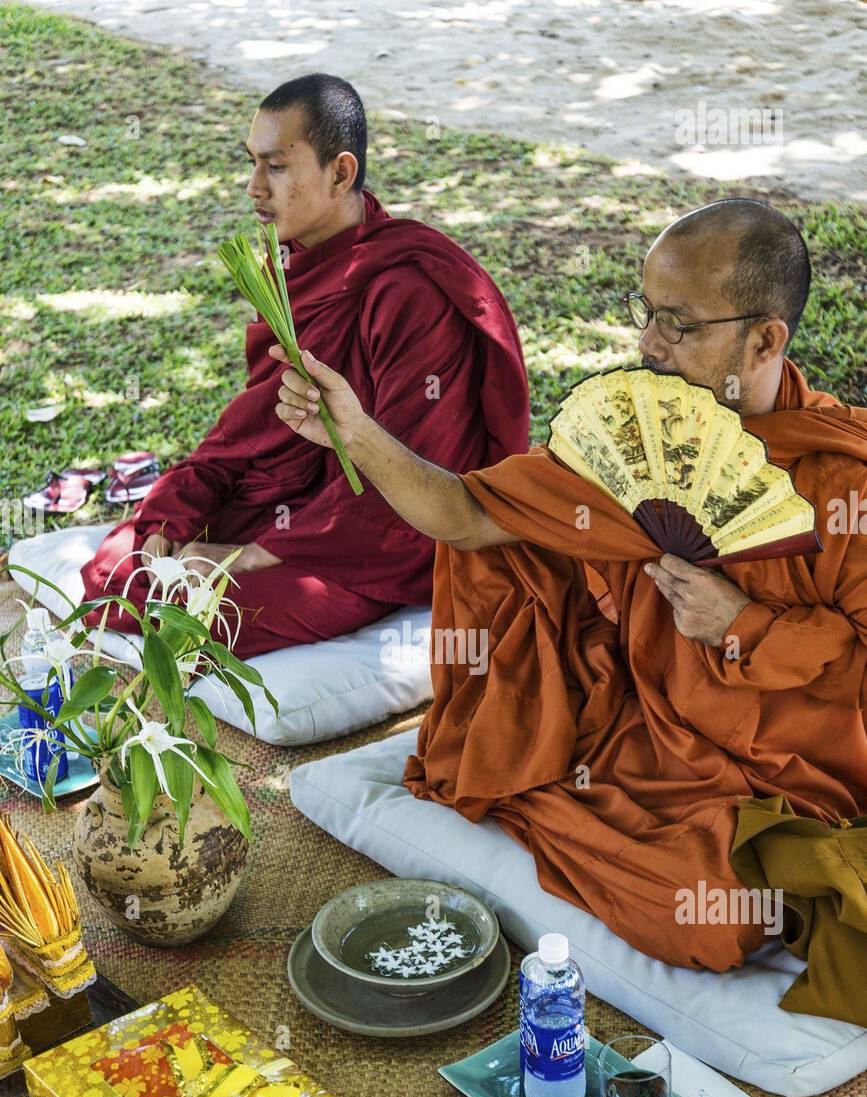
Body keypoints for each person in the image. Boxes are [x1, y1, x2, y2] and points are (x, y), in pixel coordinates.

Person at [272, 198, 867, 988]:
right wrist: (354, 431)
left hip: (789, 774)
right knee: (510, 581)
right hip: (637, 728)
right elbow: (465, 514)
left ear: (764, 338)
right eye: (645, 313)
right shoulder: (636, 435)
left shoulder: (841, 482)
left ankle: (542, 794)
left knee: (717, 919)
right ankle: (532, 777)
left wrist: (745, 623)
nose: (648, 345)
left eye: (679, 325)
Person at [80, 73, 529, 659]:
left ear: (341, 172)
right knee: (122, 571)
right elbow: (248, 439)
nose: (253, 187)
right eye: (252, 163)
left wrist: (257, 553)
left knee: (203, 615)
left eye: (277, 167)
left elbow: (418, 477)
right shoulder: (298, 270)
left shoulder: (410, 290)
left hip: (378, 538)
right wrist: (172, 516)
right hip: (293, 505)